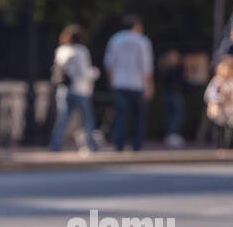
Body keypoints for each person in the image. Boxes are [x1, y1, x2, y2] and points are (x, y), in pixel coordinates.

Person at [103, 14, 153, 151]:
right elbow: (146, 66)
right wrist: (149, 86)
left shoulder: (115, 39)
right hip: (137, 84)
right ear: (136, 26)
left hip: (119, 83)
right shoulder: (142, 41)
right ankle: (136, 144)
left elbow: (109, 64)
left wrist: (111, 82)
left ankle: (119, 144)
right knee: (138, 117)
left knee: (120, 115)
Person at [48, 24, 100, 153]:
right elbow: (84, 72)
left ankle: (55, 146)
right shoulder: (82, 51)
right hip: (81, 90)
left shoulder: (61, 50)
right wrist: (95, 72)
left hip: (64, 89)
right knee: (87, 120)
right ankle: (90, 146)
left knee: (62, 120)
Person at [204, 55, 233, 149]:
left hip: (231, 109)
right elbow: (210, 95)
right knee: (219, 128)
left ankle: (231, 146)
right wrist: (214, 103)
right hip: (220, 109)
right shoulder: (216, 82)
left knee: (232, 128)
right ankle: (220, 146)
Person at [159, 49, 185, 147]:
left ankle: (171, 134)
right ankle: (171, 134)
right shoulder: (169, 70)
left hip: (173, 94)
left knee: (173, 115)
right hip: (172, 94)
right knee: (175, 115)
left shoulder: (171, 69)